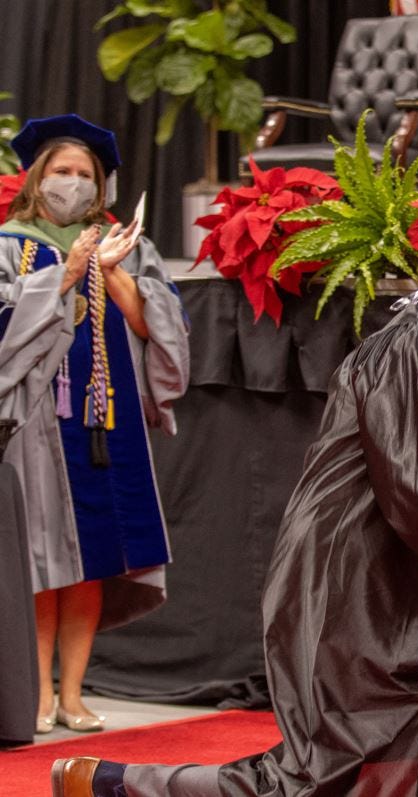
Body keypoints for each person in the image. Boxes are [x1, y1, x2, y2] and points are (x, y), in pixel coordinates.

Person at [51, 201, 418, 797]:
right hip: (358, 587)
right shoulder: (417, 342)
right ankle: (115, 784)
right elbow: (416, 486)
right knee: (323, 782)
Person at [0, 114, 189, 736]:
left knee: (93, 559)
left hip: (105, 418)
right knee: (40, 559)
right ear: (37, 178)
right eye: (61, 171)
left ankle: (73, 694)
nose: (74, 183)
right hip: (33, 420)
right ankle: (34, 693)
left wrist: (109, 269)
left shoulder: (125, 244)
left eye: (85, 174)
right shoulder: (9, 245)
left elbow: (158, 324)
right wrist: (66, 272)